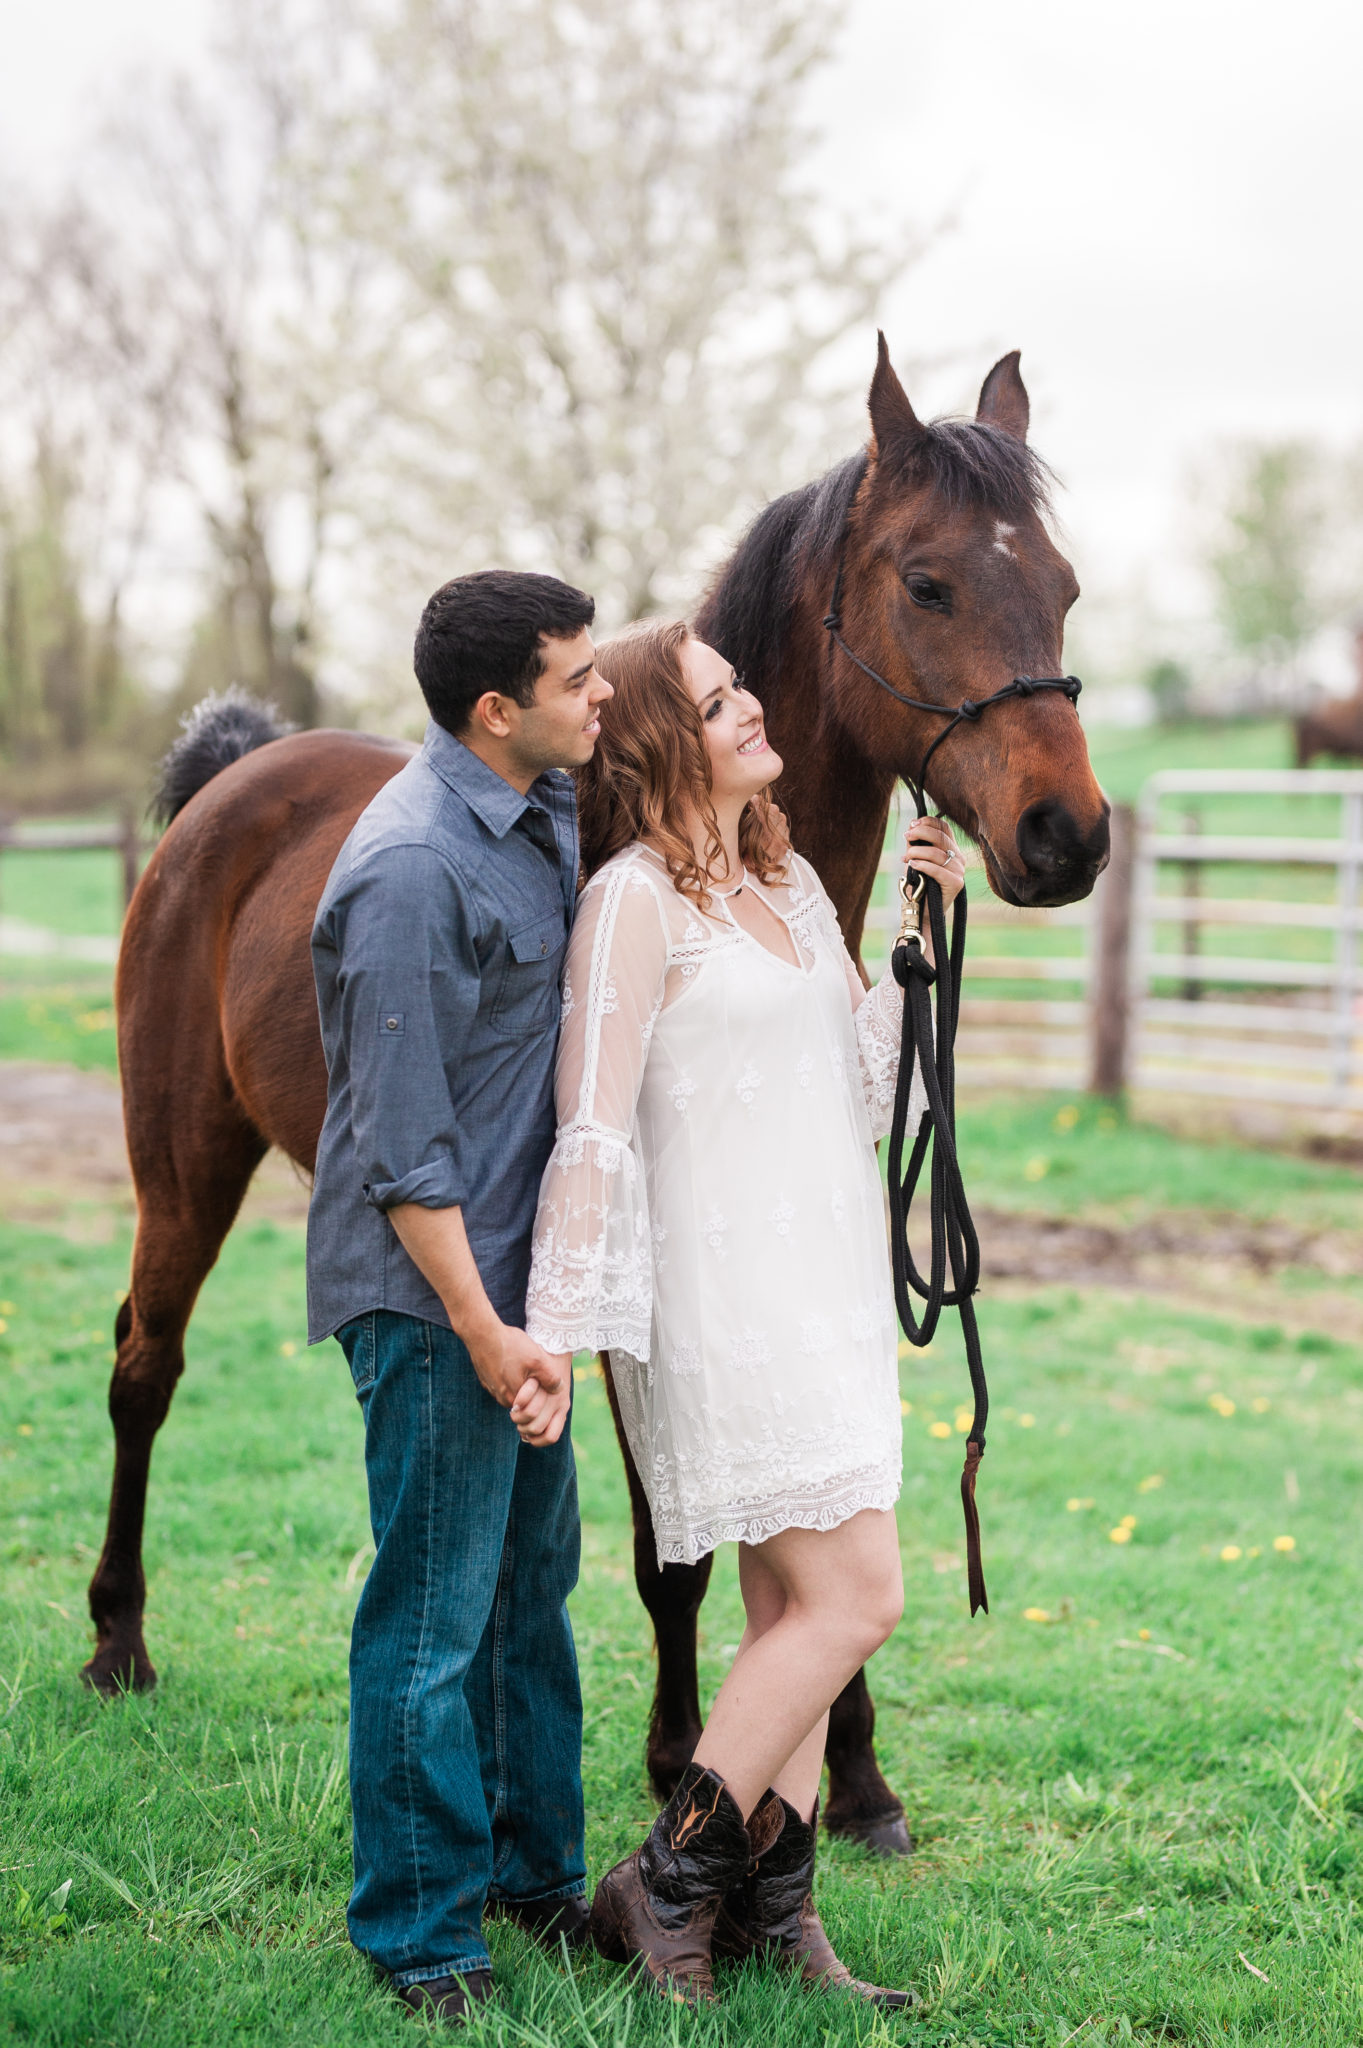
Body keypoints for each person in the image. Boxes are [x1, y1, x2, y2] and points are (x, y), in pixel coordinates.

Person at [523, 619, 965, 2009]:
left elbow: (860, 1075)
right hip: (719, 1307)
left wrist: (922, 943)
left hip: (821, 1289)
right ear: (665, 747)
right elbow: (589, 1125)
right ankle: (662, 1886)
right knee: (860, 1598)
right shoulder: (631, 904)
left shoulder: (787, 887)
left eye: (739, 686)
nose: (753, 707)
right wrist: (560, 1325)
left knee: (787, 1604)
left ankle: (778, 1919)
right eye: (719, 702)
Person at [307, 570, 613, 2027]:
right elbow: (398, 1153)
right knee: (431, 1617)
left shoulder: (542, 806)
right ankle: (419, 1931)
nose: (601, 693)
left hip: (522, 1292)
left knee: (529, 1594)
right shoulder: (412, 868)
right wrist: (488, 1335)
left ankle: (534, 1874)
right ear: (498, 710)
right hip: (438, 1301)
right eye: (578, 678)